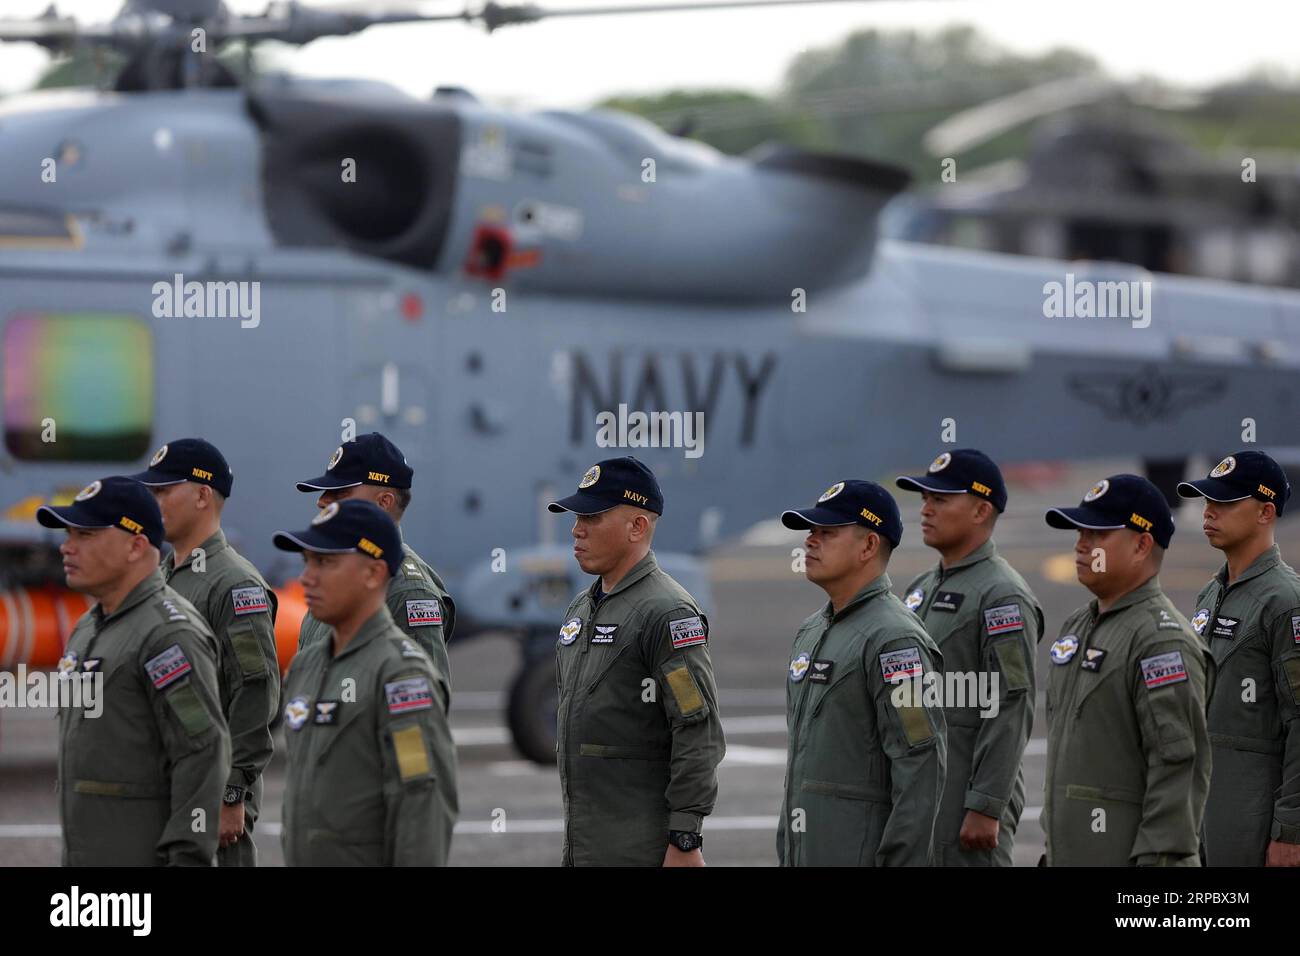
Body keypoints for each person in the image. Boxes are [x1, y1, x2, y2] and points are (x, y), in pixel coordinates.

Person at [38, 476, 229, 866]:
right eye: (68, 533)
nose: (66, 546)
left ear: (136, 545)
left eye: (85, 534)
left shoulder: (169, 636)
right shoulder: (89, 627)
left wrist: (188, 857)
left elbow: (202, 753)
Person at [548, 456, 725, 866]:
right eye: (576, 517)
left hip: (641, 851)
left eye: (592, 517)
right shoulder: (582, 608)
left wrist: (685, 837)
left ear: (637, 527)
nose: (576, 530)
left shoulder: (666, 612)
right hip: (585, 847)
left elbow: (697, 727)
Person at [275, 499, 457, 866]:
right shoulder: (307, 665)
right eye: (307, 561)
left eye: (325, 562)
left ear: (373, 574)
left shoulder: (401, 677)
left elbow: (420, 798)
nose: (307, 577)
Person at [1042, 473, 1211, 866]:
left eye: (1098, 535)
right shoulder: (1077, 627)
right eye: (1080, 532)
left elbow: (1177, 770)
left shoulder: (1160, 641)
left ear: (1141, 545)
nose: (1081, 545)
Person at [777, 479, 946, 866]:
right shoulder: (811, 631)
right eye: (811, 532)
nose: (810, 542)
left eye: (827, 532)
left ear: (869, 545)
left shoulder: (895, 640)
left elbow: (919, 765)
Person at [129, 438, 279, 866]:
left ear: (200, 495)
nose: (152, 500)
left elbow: (254, 692)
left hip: (211, 794)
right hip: (168, 783)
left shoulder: (234, 584)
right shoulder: (161, 575)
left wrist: (233, 792)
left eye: (163, 490)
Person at [896, 449, 1042, 866]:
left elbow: (1011, 703)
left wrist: (986, 803)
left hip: (964, 794)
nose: (925, 509)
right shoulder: (922, 587)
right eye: (924, 498)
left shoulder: (1002, 596)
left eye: (940, 500)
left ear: (981, 510)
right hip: (922, 791)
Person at [1178, 451, 1300, 866]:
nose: (1209, 512)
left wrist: (1290, 830)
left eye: (1226, 503)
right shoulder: (1211, 594)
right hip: (1203, 805)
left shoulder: (1285, 601)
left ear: (1266, 512)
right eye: (1207, 501)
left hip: (1252, 809)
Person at [295, 432, 455, 707]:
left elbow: (422, 710)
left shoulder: (407, 590)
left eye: (340, 492)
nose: (322, 501)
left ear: (384, 502)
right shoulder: (336, 577)